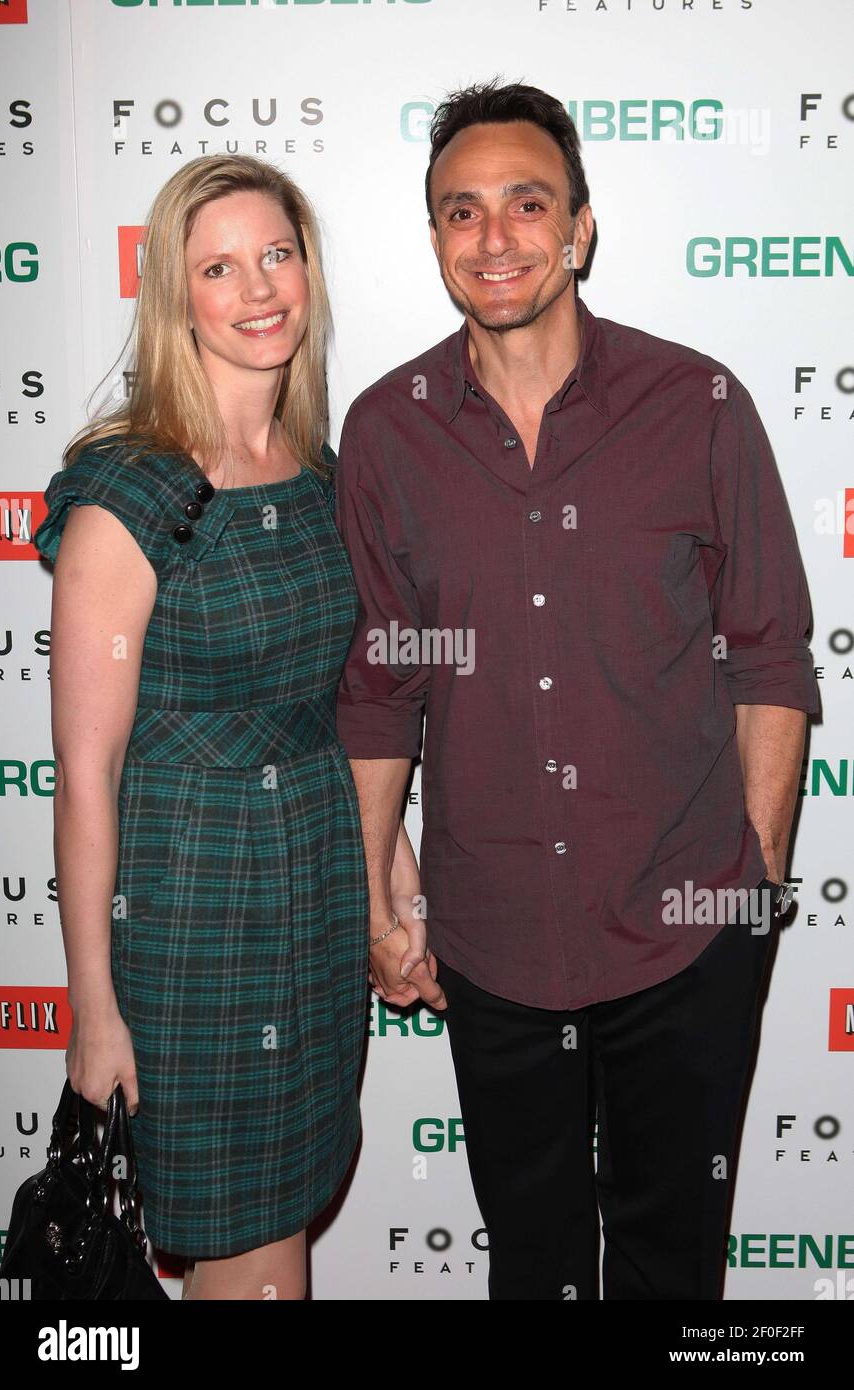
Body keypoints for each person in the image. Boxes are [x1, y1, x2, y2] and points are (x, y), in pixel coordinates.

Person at [333, 79, 821, 1300]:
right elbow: (383, 685)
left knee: (672, 1275)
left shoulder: (696, 405)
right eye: (460, 211)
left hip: (685, 937)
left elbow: (767, 653)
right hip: (491, 942)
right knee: (535, 1270)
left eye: (525, 204)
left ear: (580, 228)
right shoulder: (387, 431)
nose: (492, 238)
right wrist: (379, 896)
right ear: (435, 238)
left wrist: (752, 885)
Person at [33, 154, 370, 1301]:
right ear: (176, 301)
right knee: (238, 1232)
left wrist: (390, 883)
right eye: (218, 267)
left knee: (280, 1220)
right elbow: (86, 776)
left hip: (313, 893)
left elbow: (334, 703)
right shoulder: (131, 493)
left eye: (276, 253)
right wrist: (95, 1014)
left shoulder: (323, 474)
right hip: (191, 909)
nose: (259, 286)